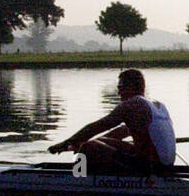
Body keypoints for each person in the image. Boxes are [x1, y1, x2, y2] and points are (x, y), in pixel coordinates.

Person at [47, 69, 175, 175]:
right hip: (165, 165)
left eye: (121, 87)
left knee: (88, 147)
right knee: (89, 144)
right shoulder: (157, 105)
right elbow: (122, 131)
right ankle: (87, 167)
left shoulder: (132, 104)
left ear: (132, 87)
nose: (118, 92)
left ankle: (77, 177)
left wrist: (65, 144)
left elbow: (94, 128)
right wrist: (89, 142)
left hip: (150, 168)